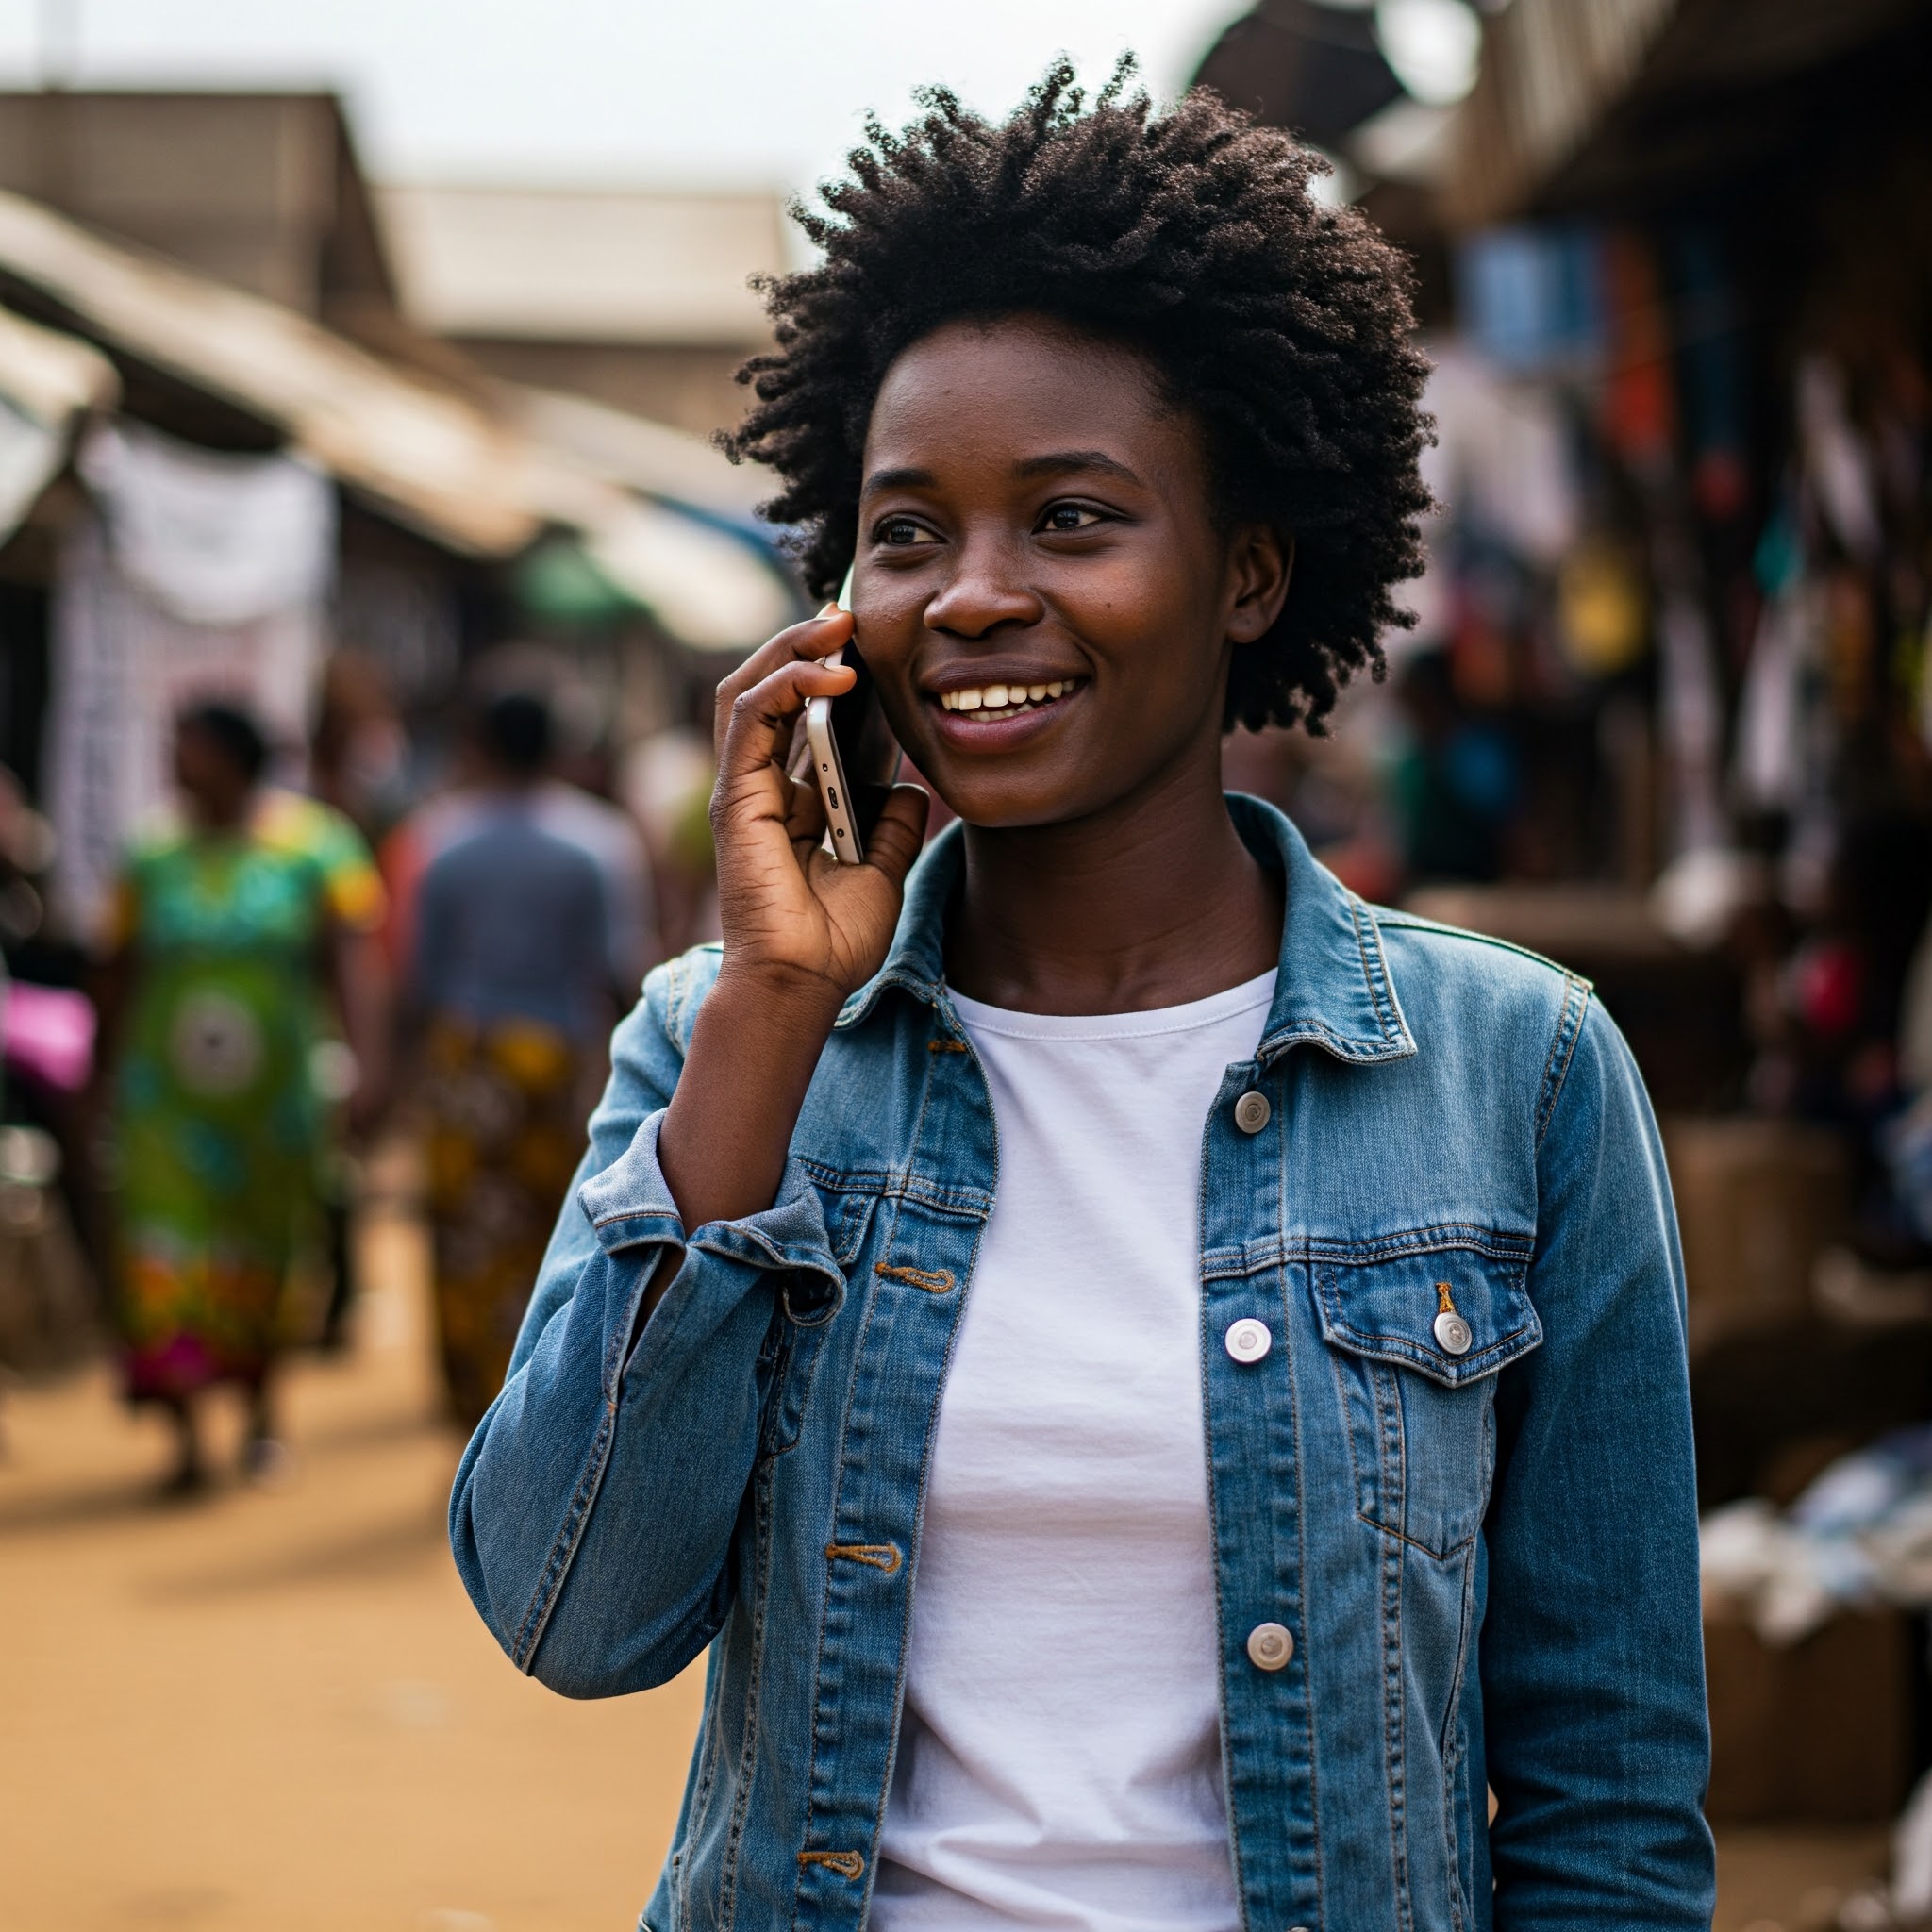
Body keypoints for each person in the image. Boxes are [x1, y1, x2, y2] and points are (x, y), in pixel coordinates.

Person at [451, 67, 1714, 1931]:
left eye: (1069, 518)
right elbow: (571, 1613)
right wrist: (776, 1009)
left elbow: (1605, 1797)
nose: (970, 595)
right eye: (904, 533)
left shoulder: (1515, 1081)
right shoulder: (722, 1045)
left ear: (1248, 573)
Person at [97, 701, 387, 1492]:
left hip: (276, 1105)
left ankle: (261, 1413)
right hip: (166, 1108)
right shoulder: (150, 855)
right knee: (166, 1258)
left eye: (189, 748)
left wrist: (366, 1064)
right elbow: (116, 973)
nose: (176, 763)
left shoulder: (314, 848)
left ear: (235, 756)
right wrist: (98, 1082)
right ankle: (185, 1435)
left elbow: (351, 967)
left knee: (266, 1253)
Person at [410, 690, 621, 1429]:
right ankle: (544, 1405)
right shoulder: (598, 842)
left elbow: (423, 976)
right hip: (560, 1064)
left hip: (470, 1062)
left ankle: (474, 1405)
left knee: (469, 1237)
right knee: (556, 1232)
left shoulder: (440, 841)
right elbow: (615, 971)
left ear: (479, 742)